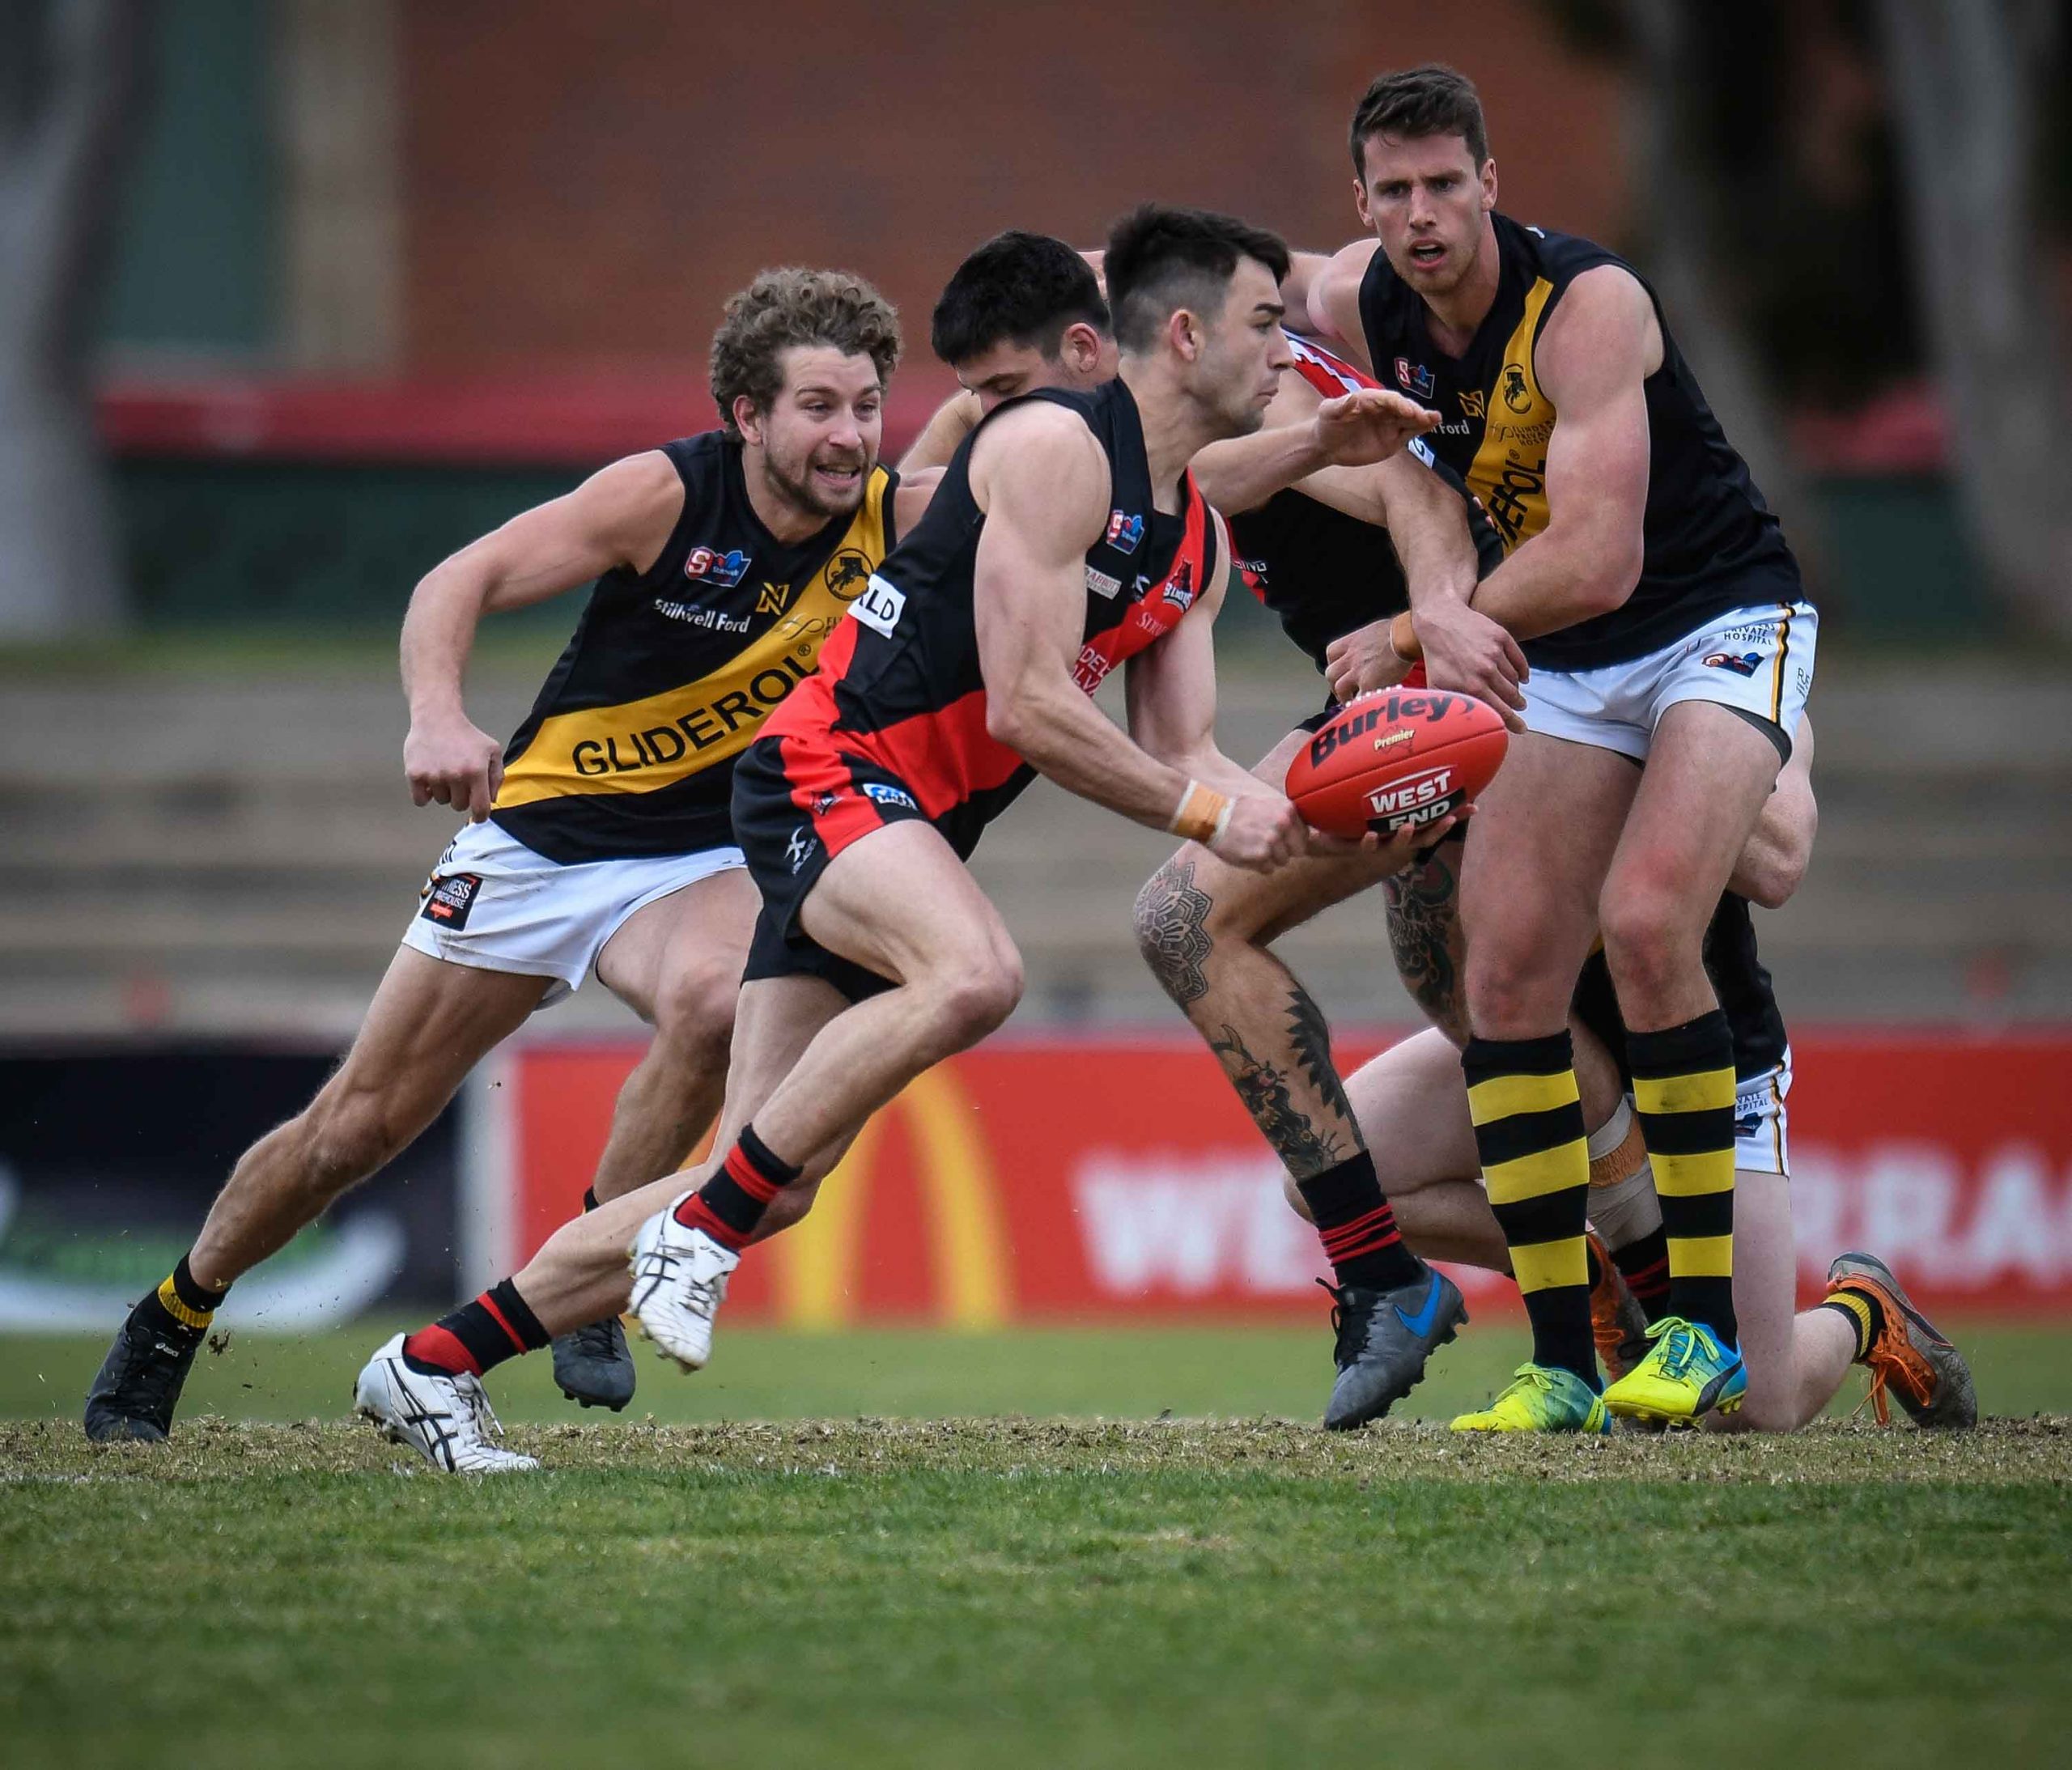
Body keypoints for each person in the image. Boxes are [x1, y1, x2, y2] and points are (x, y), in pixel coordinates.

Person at [350, 206, 1448, 1472]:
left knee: (778, 1171)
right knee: (975, 976)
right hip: (828, 766)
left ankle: (430, 1363)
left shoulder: (1192, 537)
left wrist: (1302, 811)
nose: (1286, 349)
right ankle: (700, 1230)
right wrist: (1206, 812)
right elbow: (1029, 706)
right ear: (1186, 331)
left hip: (900, 822)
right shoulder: (1048, 444)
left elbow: (1188, 747)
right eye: (1267, 322)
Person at [85, 269, 930, 1442]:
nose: (850, 436)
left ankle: (580, 1266)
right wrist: (437, 715)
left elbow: (1075, 475)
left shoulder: (898, 514)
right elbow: (457, 579)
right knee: (357, 1126)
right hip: (539, 841)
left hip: (696, 858)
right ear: (748, 413)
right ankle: (173, 1312)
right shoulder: (662, 494)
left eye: (868, 405)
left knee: (717, 999)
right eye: (819, 407)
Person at [1286, 64, 1817, 1430]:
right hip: (1578, 656)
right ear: (1363, 204)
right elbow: (1222, 290)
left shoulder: (1590, 307)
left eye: (1444, 186)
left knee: (1647, 923)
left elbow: (1596, 554)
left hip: (1709, 619)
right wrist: (1075, 307)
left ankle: (1704, 1333)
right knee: (1510, 970)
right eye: (1393, 192)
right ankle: (1562, 1365)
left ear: (1490, 185)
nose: (1421, 217)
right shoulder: (1358, 298)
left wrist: (1415, 629)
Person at [1328, 720, 1976, 1431]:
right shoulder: (1506, 686)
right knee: (1334, 1166)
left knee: (1753, 1410)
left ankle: (1865, 1309)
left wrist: (1625, 759)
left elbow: (1780, 863)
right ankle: (1596, 1283)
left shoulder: (1730, 659)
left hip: (1717, 1069)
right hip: (1551, 1043)